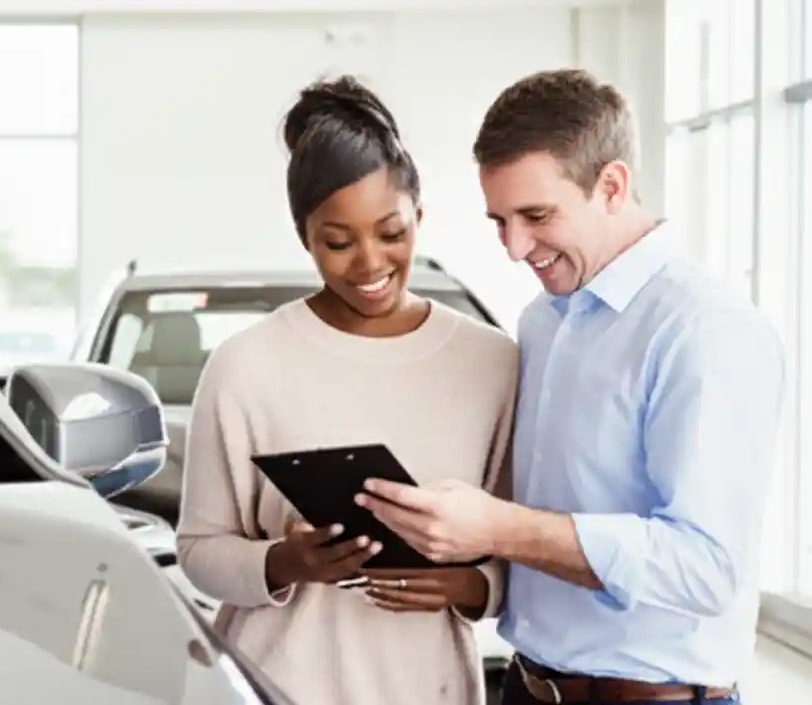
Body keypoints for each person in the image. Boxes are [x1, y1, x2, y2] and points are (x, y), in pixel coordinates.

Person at [356, 68, 785, 705]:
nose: (514, 248)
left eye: (536, 215)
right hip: (529, 687)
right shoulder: (543, 320)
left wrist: (498, 529)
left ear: (612, 186)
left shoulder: (704, 329)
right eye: (499, 220)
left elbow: (707, 569)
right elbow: (549, 504)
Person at [174, 74, 519, 705]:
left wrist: (470, 587)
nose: (369, 264)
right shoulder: (244, 366)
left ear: (420, 214)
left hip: (427, 686)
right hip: (278, 683)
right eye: (338, 242)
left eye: (392, 233)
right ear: (305, 236)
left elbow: (518, 544)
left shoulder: (492, 364)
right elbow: (198, 550)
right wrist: (285, 562)